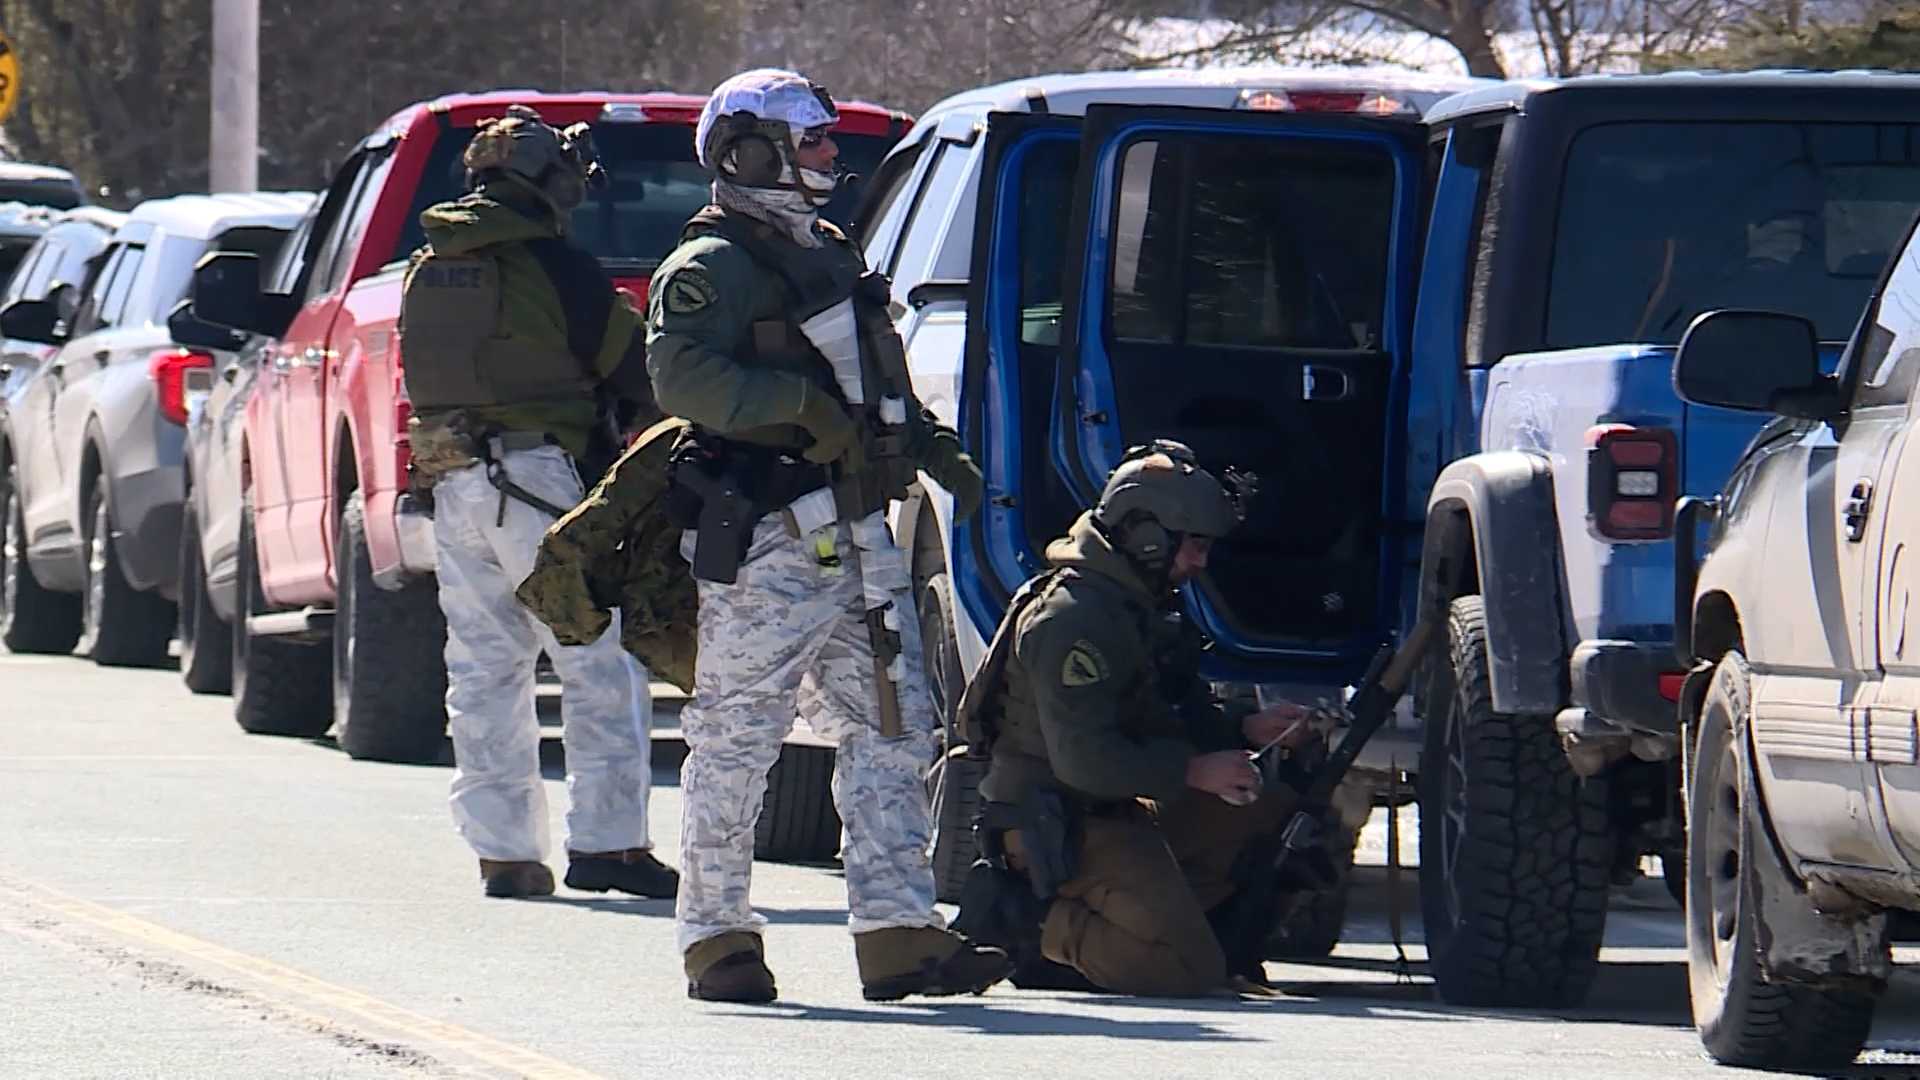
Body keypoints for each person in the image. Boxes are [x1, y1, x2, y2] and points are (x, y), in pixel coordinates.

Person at [644, 68, 1009, 1004]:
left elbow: (876, 385)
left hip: (857, 539)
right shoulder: (709, 269)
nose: (828, 157)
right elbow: (681, 378)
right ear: (751, 152)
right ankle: (716, 939)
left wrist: (935, 451)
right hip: (768, 536)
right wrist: (797, 410)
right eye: (809, 143)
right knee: (737, 740)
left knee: (893, 731)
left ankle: (896, 933)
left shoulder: (832, 254)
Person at [400, 105, 676, 901]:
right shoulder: (558, 267)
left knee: (485, 669)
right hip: (543, 483)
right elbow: (636, 372)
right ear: (546, 184)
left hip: (456, 486)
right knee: (598, 661)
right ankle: (610, 843)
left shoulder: (428, 264)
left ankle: (506, 854)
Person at [950, 440, 1323, 997]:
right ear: (1148, 536)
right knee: (1187, 970)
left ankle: (1131, 934)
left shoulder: (1130, 605)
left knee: (1271, 808)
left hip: (1111, 806)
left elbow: (1166, 709)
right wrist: (1195, 773)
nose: (1200, 562)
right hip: (1061, 822)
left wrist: (1245, 732)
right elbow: (1087, 762)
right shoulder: (1072, 621)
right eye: (1193, 545)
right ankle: (1030, 924)